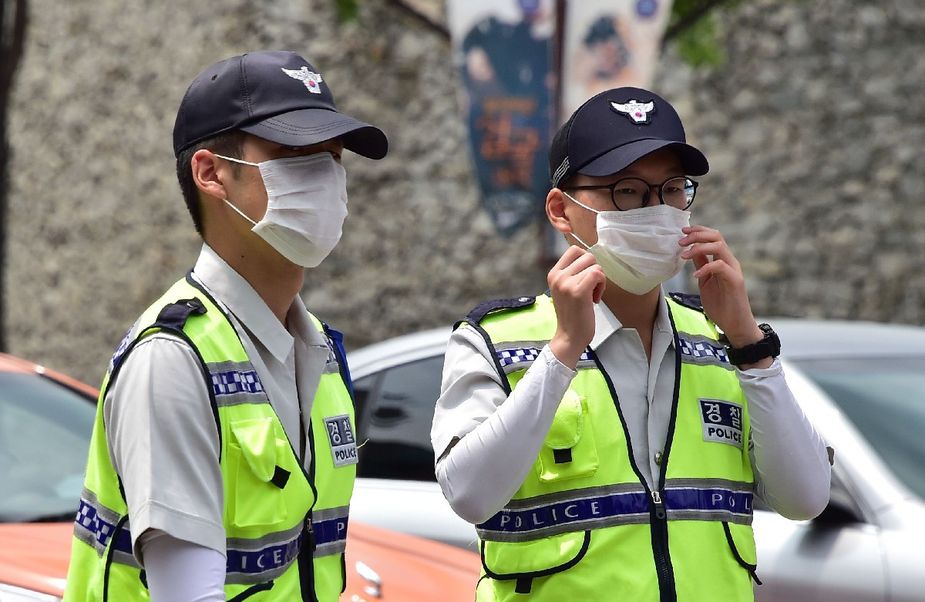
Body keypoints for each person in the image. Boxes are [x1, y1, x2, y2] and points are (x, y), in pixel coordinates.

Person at [431, 87, 832, 601]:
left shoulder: (725, 341)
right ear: (561, 210)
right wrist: (563, 350)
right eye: (627, 190)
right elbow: (469, 495)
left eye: (671, 189)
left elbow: (805, 498)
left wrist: (748, 341)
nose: (656, 209)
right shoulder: (494, 340)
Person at [64, 50, 387, 601]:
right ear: (211, 173)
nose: (325, 176)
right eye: (294, 153)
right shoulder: (173, 359)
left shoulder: (318, 350)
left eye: (333, 156)